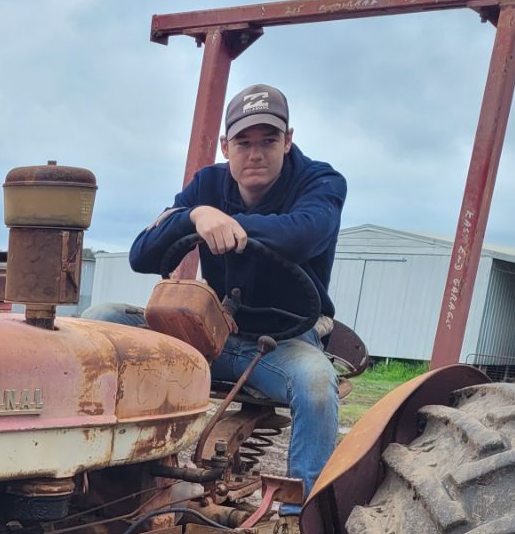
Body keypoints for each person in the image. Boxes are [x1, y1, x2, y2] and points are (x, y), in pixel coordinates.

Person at [83, 83, 346, 508]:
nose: (255, 153)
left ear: (289, 140)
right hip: (212, 333)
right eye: (243, 142)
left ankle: (304, 513)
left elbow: (304, 235)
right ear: (226, 146)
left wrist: (229, 224)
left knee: (316, 382)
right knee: (101, 319)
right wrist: (195, 215)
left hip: (283, 341)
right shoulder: (207, 186)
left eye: (268, 141)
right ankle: (100, 478)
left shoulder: (320, 181)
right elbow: (141, 254)